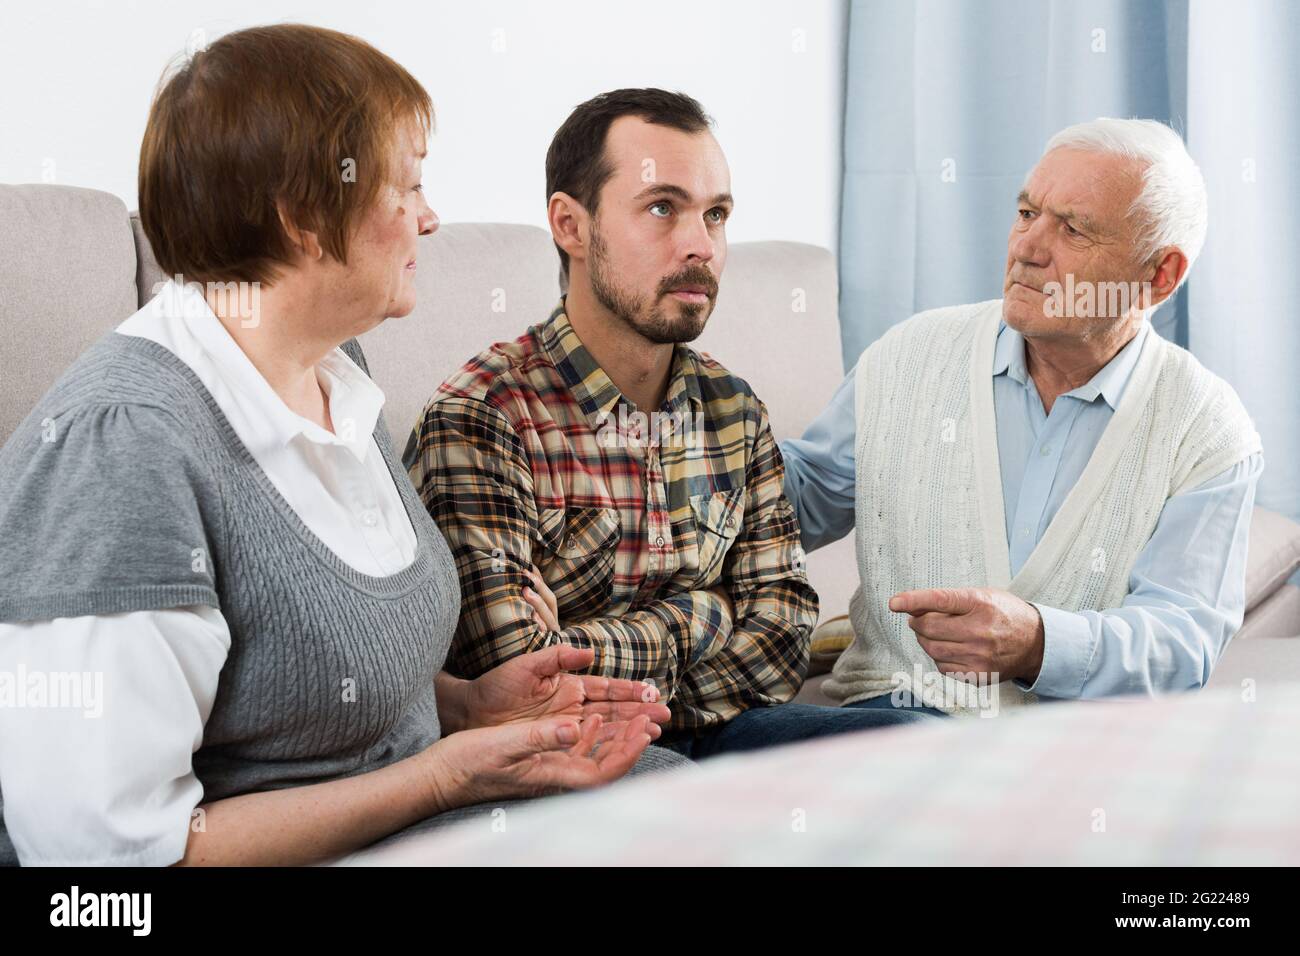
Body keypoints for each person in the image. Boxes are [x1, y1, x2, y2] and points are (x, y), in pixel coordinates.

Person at [0, 24, 681, 868]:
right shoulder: (122, 449)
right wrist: (441, 777)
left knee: (705, 805)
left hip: (416, 820)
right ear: (304, 219)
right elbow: (106, 866)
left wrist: (467, 710)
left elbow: (297, 678)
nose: (431, 220)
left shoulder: (332, 369)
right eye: (410, 187)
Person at [404, 89, 932, 760]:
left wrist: (587, 642)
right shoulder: (483, 419)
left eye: (716, 215)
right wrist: (708, 611)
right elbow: (518, 678)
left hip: (725, 733)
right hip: (563, 754)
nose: (700, 246)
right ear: (571, 226)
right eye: (662, 208)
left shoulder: (732, 409)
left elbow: (782, 637)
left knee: (923, 744)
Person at [781, 118, 1263, 716]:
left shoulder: (1208, 431)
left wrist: (1038, 644)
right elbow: (805, 499)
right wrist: (693, 430)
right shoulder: (909, 356)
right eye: (1028, 213)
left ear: (1159, 276)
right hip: (889, 723)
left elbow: (1179, 643)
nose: (1028, 249)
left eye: (1074, 229)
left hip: (1070, 755)